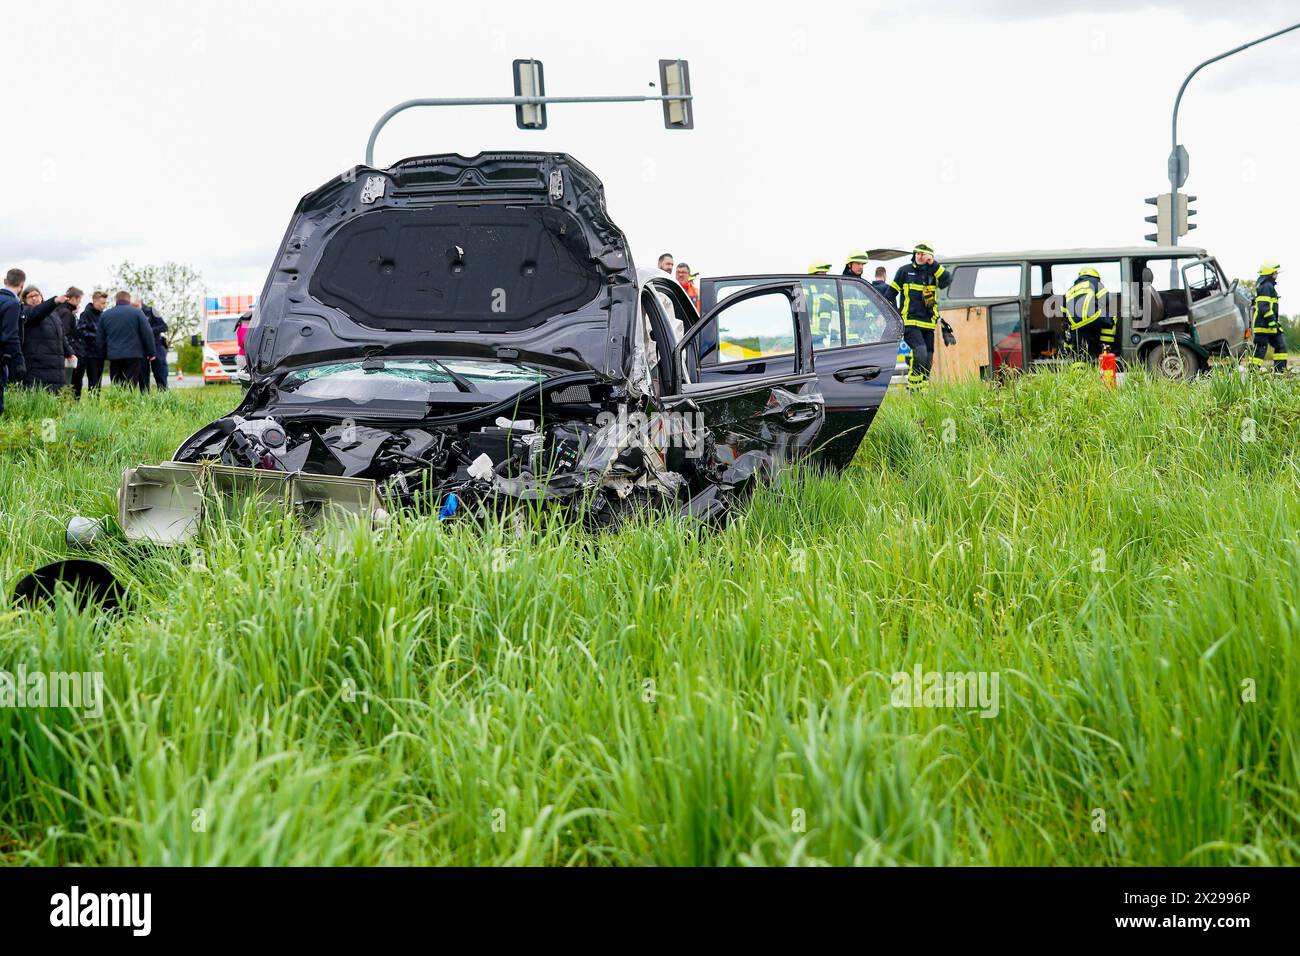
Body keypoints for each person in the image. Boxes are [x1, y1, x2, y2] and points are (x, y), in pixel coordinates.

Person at [889, 242, 953, 392]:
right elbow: (890, 295)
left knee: (928, 359)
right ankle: (913, 388)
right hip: (910, 322)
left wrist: (933, 263)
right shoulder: (904, 271)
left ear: (929, 256)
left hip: (928, 324)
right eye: (917, 253)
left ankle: (923, 391)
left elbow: (947, 280)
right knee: (920, 352)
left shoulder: (933, 272)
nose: (919, 256)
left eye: (923, 254)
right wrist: (895, 316)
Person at [96, 290, 155, 391]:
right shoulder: (137, 313)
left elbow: (100, 339)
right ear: (129, 300)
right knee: (130, 386)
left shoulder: (105, 315)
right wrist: (151, 352)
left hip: (114, 356)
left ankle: (119, 405)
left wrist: (103, 355)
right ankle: (129, 404)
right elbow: (147, 333)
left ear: (116, 300)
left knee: (117, 386)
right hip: (133, 355)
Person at [20, 286, 73, 392]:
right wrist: (55, 301)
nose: (34, 298)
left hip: (56, 366)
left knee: (56, 399)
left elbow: (62, 335)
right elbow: (38, 313)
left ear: (41, 296)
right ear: (24, 300)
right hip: (36, 366)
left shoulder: (53, 314)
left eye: (36, 295)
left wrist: (70, 353)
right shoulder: (25, 312)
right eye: (30, 296)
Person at [1063, 267, 1114, 361]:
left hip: (1076, 325)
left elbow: (1064, 312)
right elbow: (1107, 299)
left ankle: (1078, 368)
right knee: (1112, 318)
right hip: (1092, 318)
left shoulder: (1070, 289)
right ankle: (1105, 348)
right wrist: (1097, 305)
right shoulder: (1094, 282)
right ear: (1095, 275)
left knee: (1080, 354)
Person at [1251, 262, 1287, 374]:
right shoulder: (1266, 286)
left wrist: (1275, 322)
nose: (1276, 274)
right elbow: (1263, 307)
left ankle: (1279, 372)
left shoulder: (1268, 286)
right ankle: (1252, 374)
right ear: (1270, 273)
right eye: (1275, 272)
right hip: (1263, 326)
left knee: (1281, 347)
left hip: (1269, 325)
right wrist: (1271, 321)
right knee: (1260, 351)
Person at [0, 268, 26, 416]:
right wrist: (19, 361)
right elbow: (10, 336)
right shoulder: (12, 304)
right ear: (22, 285)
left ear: (5, 281)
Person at [74, 291, 108, 395]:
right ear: (94, 301)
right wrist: (97, 337)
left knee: (98, 381)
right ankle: (93, 403)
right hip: (90, 353)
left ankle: (96, 405)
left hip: (101, 353)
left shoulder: (103, 315)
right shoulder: (86, 314)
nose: (104, 305)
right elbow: (80, 331)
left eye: (105, 303)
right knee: (93, 381)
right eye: (102, 303)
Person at [55, 287, 84, 393]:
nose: (79, 302)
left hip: (64, 352)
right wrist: (72, 352)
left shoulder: (60, 310)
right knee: (71, 384)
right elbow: (65, 334)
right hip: (69, 353)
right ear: (74, 299)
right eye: (79, 300)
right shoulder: (66, 313)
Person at [806, 259, 839, 348]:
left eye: (825, 274)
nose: (825, 276)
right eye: (822, 274)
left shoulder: (827, 290)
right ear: (813, 275)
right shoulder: (806, 290)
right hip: (809, 336)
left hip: (822, 335)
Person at [138, 298, 169, 390]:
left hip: (156, 345)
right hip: (141, 348)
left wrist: (149, 331)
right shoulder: (131, 313)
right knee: (142, 376)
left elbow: (164, 326)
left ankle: (164, 396)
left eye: (135, 305)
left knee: (160, 373)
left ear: (140, 302)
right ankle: (145, 398)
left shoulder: (152, 310)